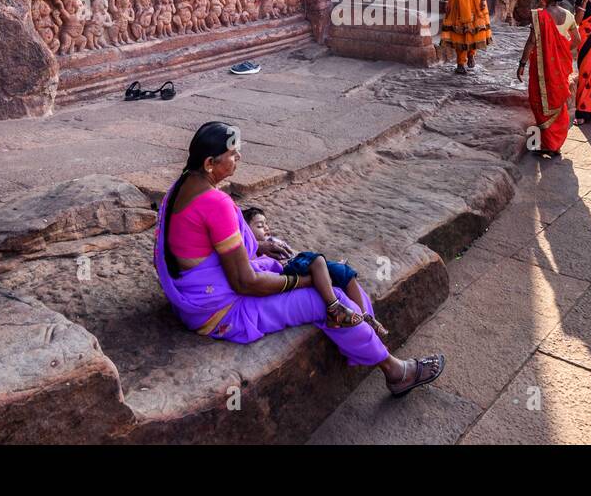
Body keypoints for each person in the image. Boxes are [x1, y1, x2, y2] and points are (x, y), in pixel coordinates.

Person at [153, 122, 444, 397]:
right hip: (221, 313)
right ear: (209, 163)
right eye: (233, 153)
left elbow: (203, 245)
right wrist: (308, 281)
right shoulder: (216, 203)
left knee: (325, 278)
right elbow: (245, 282)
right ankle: (395, 372)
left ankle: (371, 337)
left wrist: (259, 248)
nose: (239, 157)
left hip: (196, 300)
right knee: (328, 300)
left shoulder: (181, 186)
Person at [244, 207, 387, 337]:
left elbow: (293, 254)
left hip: (299, 264)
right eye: (260, 226)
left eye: (266, 224)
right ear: (246, 231)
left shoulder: (273, 241)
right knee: (319, 262)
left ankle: (365, 316)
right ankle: (335, 310)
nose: (266, 229)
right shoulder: (249, 252)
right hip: (288, 274)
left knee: (344, 272)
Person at [517, 0, 581, 158]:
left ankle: (548, 144)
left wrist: (522, 63)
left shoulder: (539, 15)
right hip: (560, 65)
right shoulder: (568, 15)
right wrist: (562, 51)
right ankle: (554, 144)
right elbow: (577, 39)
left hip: (541, 66)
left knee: (538, 99)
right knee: (557, 100)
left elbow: (531, 42)